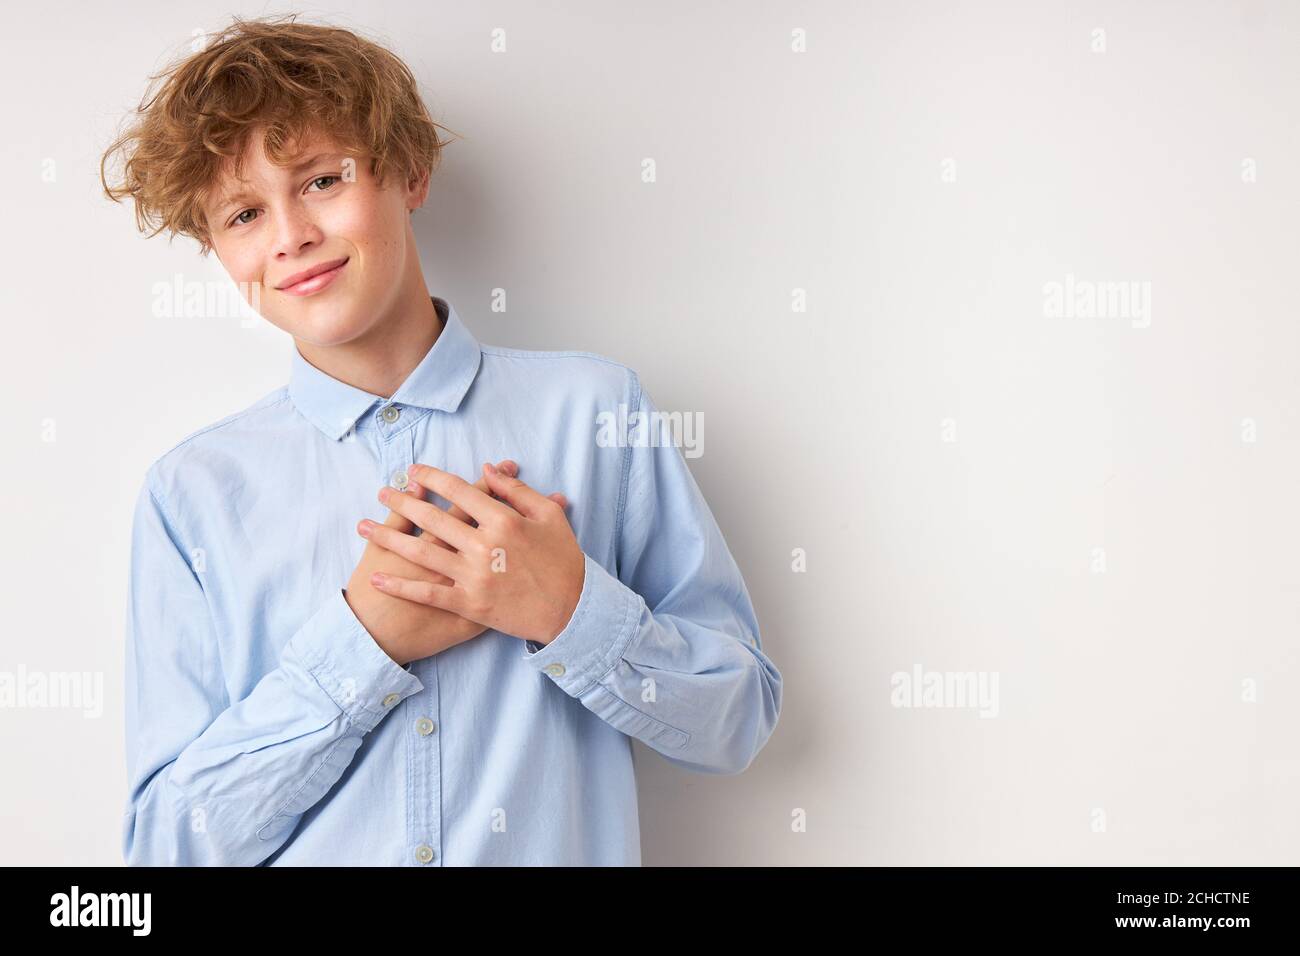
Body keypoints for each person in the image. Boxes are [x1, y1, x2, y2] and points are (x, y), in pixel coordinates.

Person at [102, 13, 782, 866]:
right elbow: (166, 850)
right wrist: (362, 647)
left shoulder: (596, 411)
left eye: (320, 181)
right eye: (243, 213)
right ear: (219, 248)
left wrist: (570, 612)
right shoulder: (190, 494)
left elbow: (738, 719)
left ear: (410, 170)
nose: (290, 236)